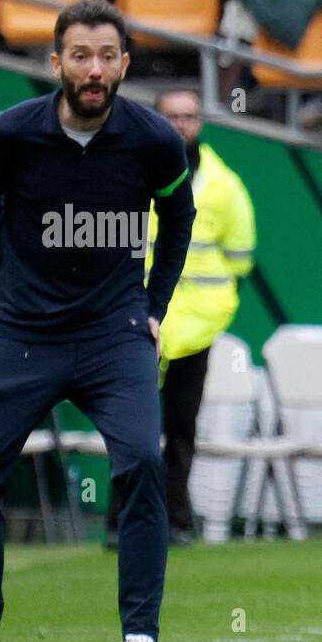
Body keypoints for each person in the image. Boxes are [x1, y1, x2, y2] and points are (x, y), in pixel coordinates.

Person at [0, 0, 195, 642]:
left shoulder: (155, 139)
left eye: (107, 55)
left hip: (115, 335)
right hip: (23, 335)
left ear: (124, 65)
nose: (94, 68)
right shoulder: (11, 134)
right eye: (80, 55)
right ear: (55, 63)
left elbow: (179, 215)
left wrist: (153, 306)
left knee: (141, 461)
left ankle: (142, 641)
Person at [104, 89, 257, 548]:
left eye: (189, 116)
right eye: (172, 116)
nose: (181, 125)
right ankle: (122, 521)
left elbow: (240, 256)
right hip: (137, 322)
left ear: (201, 122)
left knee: (182, 427)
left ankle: (176, 519)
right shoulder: (130, 173)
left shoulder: (224, 186)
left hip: (196, 326)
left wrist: (211, 305)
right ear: (156, 119)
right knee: (132, 426)